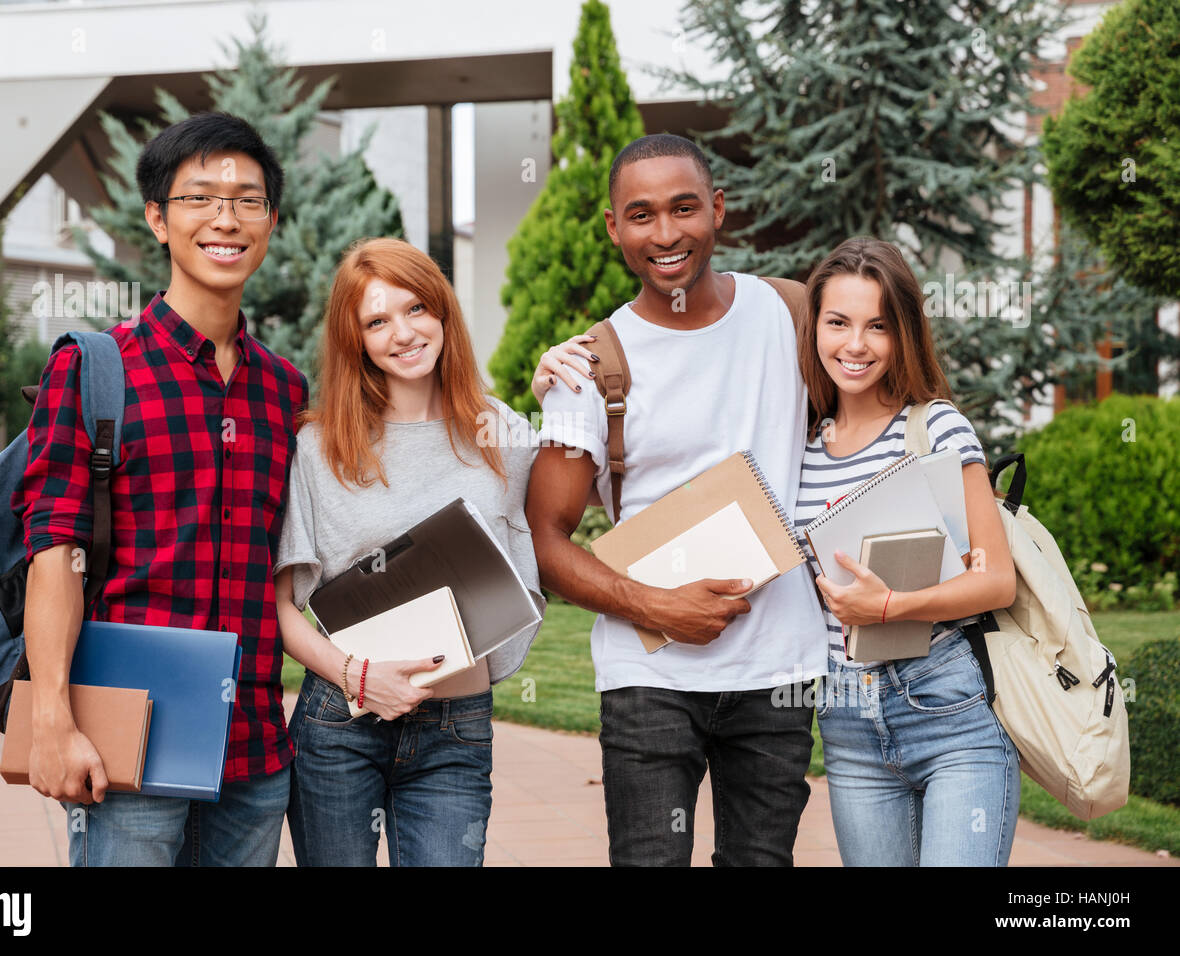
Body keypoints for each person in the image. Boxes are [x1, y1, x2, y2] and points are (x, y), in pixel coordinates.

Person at [12, 112, 307, 866]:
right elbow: (55, 549)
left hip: (253, 750)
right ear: (157, 217)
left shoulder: (283, 389)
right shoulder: (95, 368)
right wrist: (51, 718)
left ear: (270, 220)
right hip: (125, 740)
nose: (226, 219)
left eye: (247, 200)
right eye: (200, 198)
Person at [525, 134, 828, 867]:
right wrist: (655, 607)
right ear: (613, 227)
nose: (665, 234)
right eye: (641, 214)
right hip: (648, 677)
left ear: (718, 210)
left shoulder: (793, 317)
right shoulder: (588, 369)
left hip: (777, 670)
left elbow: (883, 384)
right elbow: (545, 538)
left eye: (684, 208)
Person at [274, 237, 545, 867]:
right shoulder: (319, 447)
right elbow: (283, 608)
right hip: (342, 721)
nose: (403, 332)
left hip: (456, 724)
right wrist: (356, 676)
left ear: (443, 311)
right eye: (376, 320)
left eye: (416, 308)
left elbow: (566, 517)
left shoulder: (501, 433)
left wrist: (557, 396)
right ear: (356, 340)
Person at [794, 237, 1019, 866]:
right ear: (815, 327)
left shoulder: (934, 427)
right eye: (837, 323)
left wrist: (889, 605)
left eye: (878, 326)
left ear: (903, 336)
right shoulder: (802, 444)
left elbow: (997, 581)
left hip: (951, 708)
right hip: (845, 716)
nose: (855, 345)